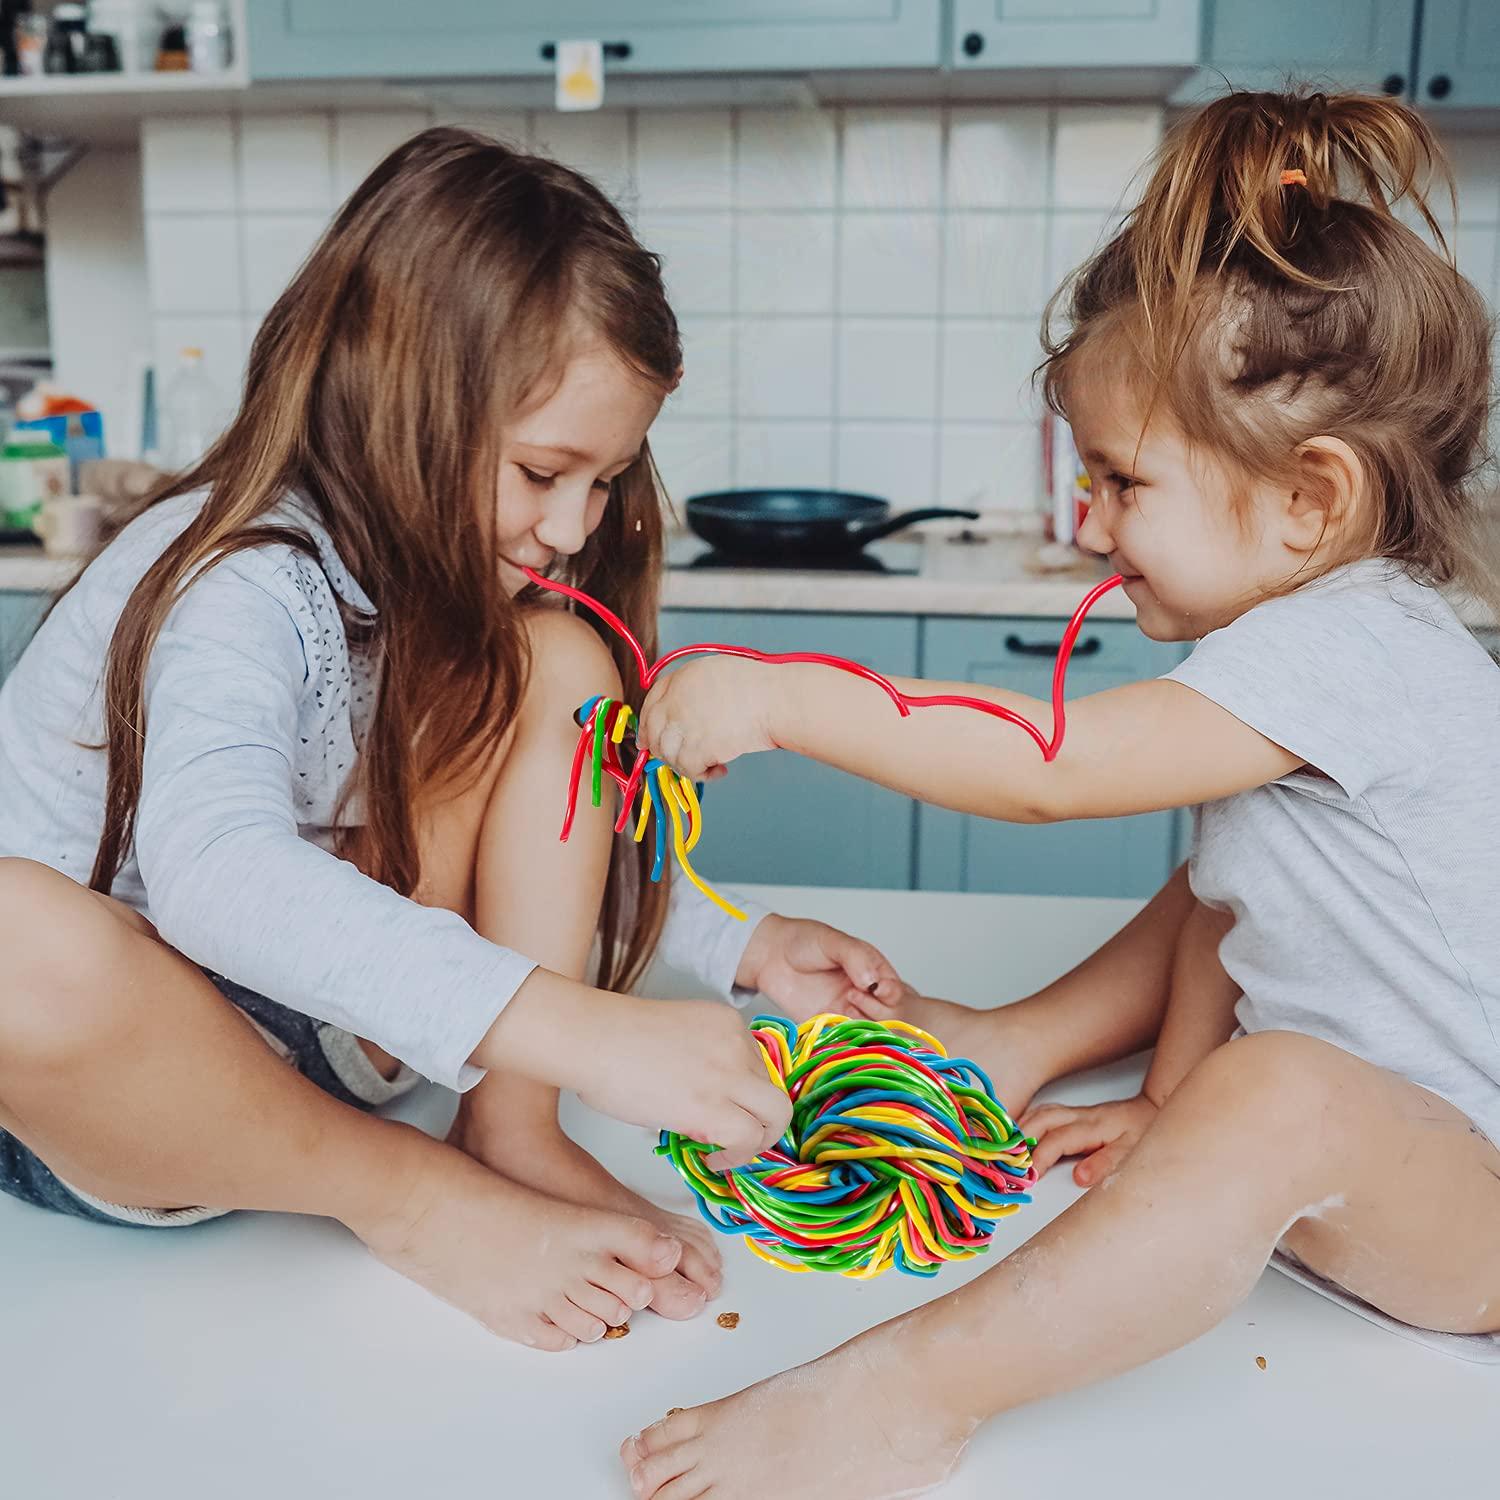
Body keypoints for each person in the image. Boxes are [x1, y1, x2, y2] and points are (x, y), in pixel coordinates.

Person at [623, 89, 1500, 1498]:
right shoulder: (1295, 651)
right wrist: (1163, 1104)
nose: (1086, 525)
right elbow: (1233, 904)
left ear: (1308, 503)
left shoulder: (1360, 650)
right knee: (1235, 933)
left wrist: (787, 695)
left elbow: (1051, 775)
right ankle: (1020, 1043)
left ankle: (911, 1392)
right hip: (1372, 1161)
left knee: (1278, 1092)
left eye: (1120, 482)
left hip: (1474, 1220)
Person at [0, 127, 902, 1354]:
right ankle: (414, 1198)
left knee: (564, 662)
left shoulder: (441, 569)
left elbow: (516, 815)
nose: (575, 530)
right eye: (543, 472)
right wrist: (586, 1030)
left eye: (605, 482)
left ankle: (509, 1134)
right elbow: (216, 876)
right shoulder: (236, 578)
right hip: (131, 1110)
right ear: (397, 398)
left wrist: (740, 946)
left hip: (340, 1046)